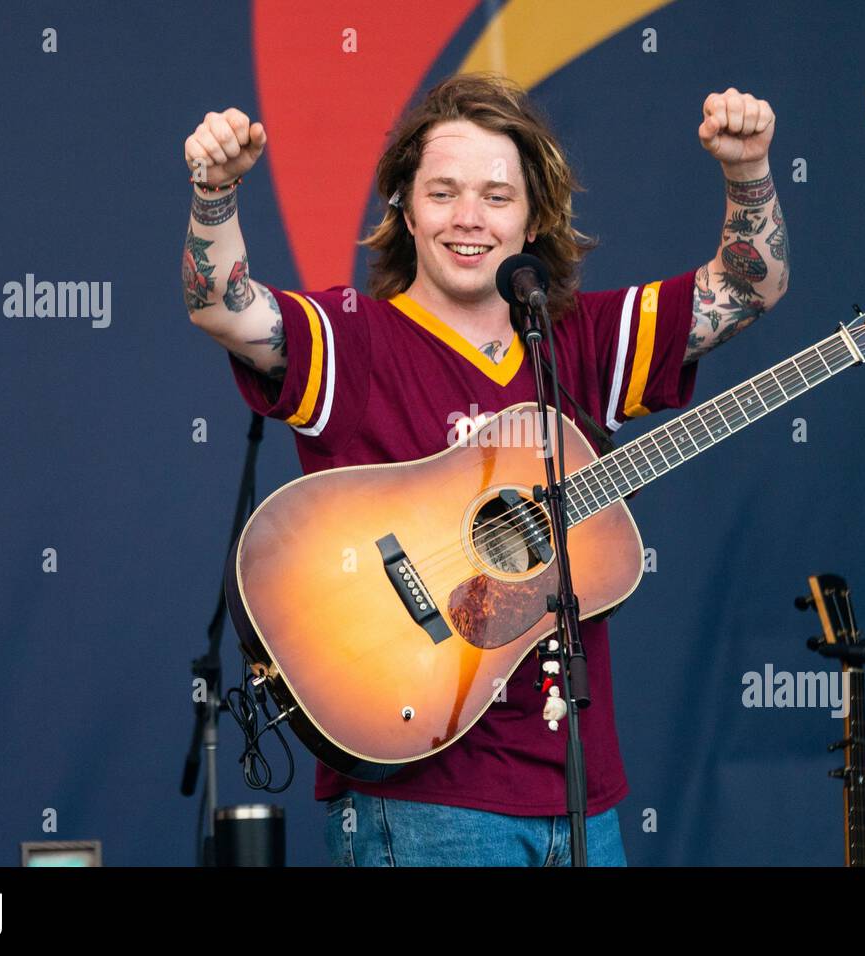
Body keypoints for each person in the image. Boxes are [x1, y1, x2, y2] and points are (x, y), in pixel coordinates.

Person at [181, 73, 789, 866]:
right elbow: (222, 304)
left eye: (497, 197)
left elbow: (749, 286)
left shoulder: (577, 339)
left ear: (534, 217)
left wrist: (748, 170)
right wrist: (216, 192)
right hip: (421, 798)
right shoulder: (355, 337)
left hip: (580, 799)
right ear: (404, 204)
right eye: (443, 192)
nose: (470, 218)